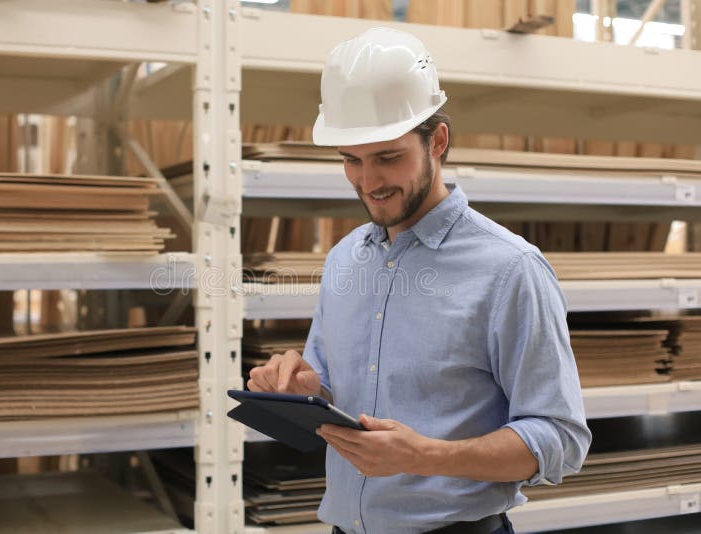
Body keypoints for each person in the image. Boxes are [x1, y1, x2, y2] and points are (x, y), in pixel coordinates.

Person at [247, 27, 591, 534]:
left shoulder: (510, 269)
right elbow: (333, 389)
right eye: (351, 160)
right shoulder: (345, 259)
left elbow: (561, 438)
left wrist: (425, 455)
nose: (368, 182)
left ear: (438, 141)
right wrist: (304, 389)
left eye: (388, 158)